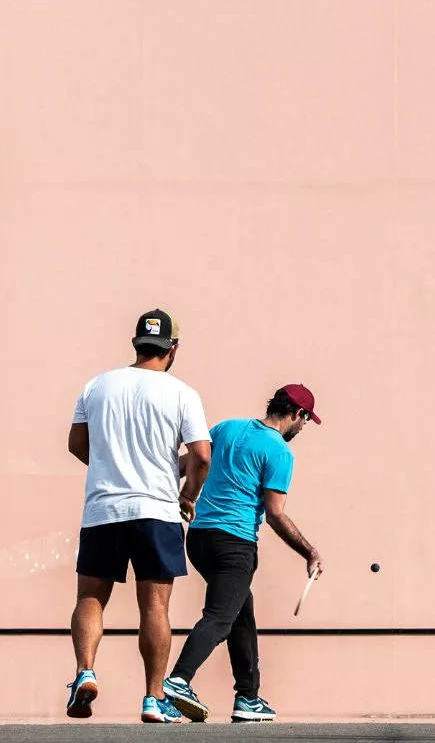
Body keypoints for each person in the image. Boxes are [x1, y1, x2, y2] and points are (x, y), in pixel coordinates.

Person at [65, 309, 213, 723]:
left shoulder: (97, 386)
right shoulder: (182, 392)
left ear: (135, 344)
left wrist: (109, 467)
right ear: (174, 349)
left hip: (103, 508)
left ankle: (85, 672)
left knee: (91, 597)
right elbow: (201, 455)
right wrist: (188, 495)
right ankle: (152, 697)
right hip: (156, 510)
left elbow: (78, 443)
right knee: (155, 606)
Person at [162, 385, 326, 723]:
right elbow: (276, 513)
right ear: (298, 414)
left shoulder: (227, 427)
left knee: (241, 613)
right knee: (221, 617)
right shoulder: (279, 451)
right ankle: (179, 680)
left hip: (200, 539)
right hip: (234, 544)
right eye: (306, 421)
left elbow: (188, 462)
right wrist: (309, 552)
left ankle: (248, 697)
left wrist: (165, 489)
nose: (303, 428)